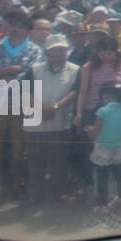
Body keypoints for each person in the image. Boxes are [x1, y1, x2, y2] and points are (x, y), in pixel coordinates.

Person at [0, 9, 43, 202]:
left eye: (15, 24)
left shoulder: (34, 50)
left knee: (18, 148)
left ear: (24, 28)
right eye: (8, 24)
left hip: (20, 104)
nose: (11, 28)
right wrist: (8, 70)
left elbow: (30, 76)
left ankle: (17, 184)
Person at [24, 34, 79, 205]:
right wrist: (40, 109)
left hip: (60, 122)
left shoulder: (76, 70)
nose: (58, 53)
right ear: (47, 52)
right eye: (54, 49)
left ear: (66, 51)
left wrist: (55, 107)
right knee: (35, 162)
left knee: (59, 161)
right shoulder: (34, 69)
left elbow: (74, 92)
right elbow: (26, 92)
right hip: (35, 122)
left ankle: (59, 192)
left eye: (61, 49)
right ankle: (36, 194)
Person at [85, 83, 121, 215]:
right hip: (120, 145)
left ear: (105, 97)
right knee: (120, 174)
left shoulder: (103, 111)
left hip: (103, 147)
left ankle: (102, 205)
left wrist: (89, 131)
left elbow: (95, 132)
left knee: (102, 176)